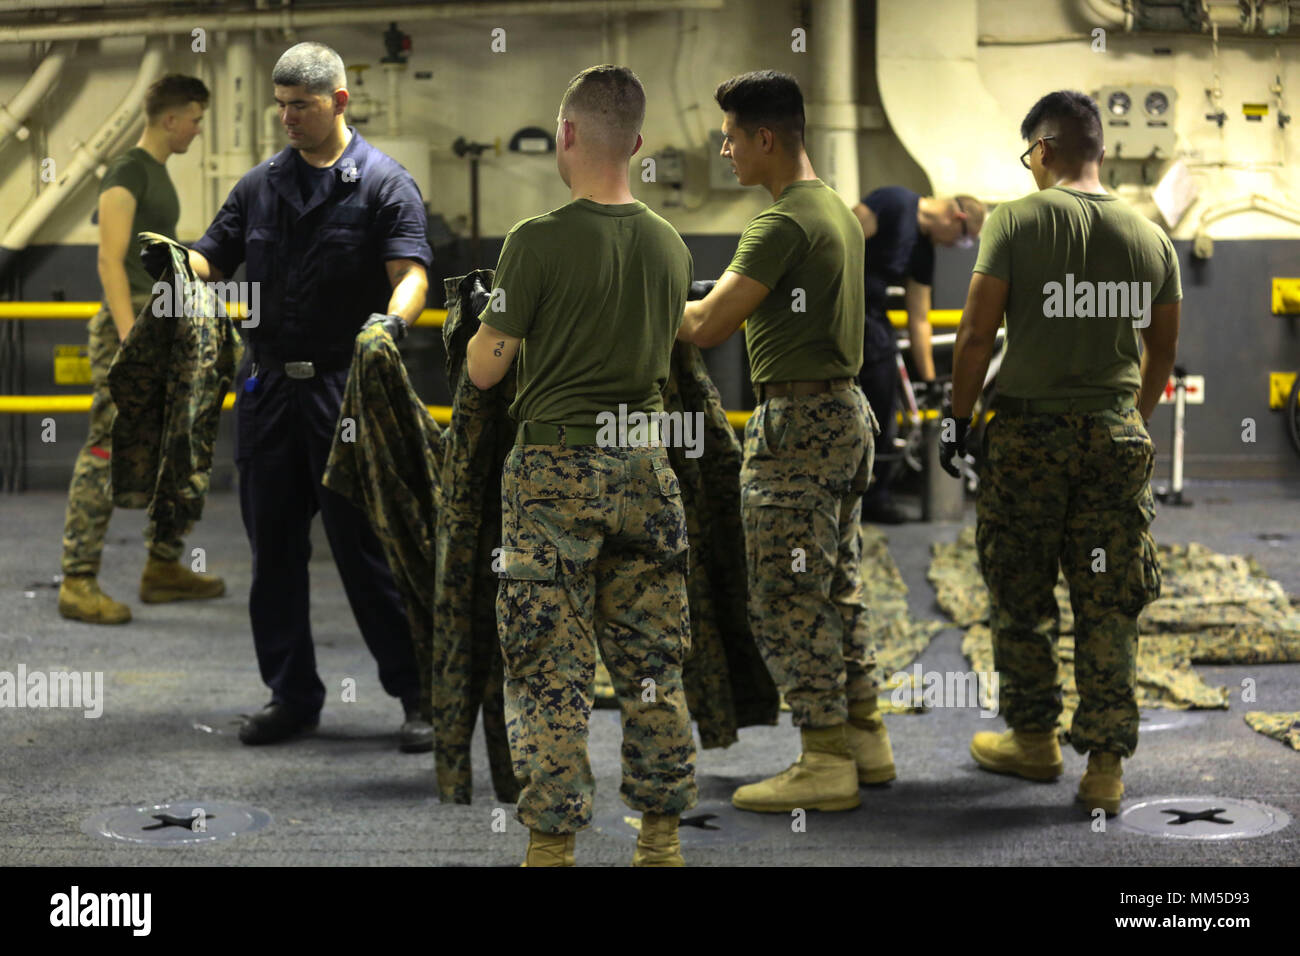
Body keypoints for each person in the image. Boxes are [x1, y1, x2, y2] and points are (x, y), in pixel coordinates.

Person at [467, 65, 697, 867]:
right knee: (652, 664)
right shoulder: (671, 244)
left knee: (548, 667)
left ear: (566, 134)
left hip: (554, 476)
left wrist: (482, 326)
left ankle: (553, 849)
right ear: (636, 143)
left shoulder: (534, 241)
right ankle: (661, 838)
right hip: (646, 470)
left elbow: (487, 371)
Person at [176, 42, 434, 750]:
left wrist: (392, 320)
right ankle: (292, 696)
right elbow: (212, 254)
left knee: (366, 548)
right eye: (281, 105)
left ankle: (419, 694)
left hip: (341, 392)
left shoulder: (383, 183)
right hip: (266, 393)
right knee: (274, 553)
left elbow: (410, 273)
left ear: (340, 102)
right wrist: (176, 261)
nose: (287, 117)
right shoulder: (259, 185)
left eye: (302, 106)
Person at [940, 89, 1179, 816]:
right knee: (1108, 598)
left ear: (1042, 150)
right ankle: (1104, 767)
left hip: (1028, 439)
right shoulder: (1150, 238)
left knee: (1022, 591)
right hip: (1113, 436)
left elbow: (977, 336)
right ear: (1098, 149)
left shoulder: (1015, 219)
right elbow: (1161, 351)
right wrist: (1124, 419)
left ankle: (1035, 740)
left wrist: (956, 421)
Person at [677, 70, 889, 814]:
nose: (727, 151)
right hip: (843, 415)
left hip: (799, 427)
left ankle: (825, 758)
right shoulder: (831, 207)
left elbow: (705, 326)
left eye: (731, 138)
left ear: (765, 138)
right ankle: (864, 735)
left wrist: (628, 295)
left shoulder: (780, 223)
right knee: (837, 584)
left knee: (787, 593)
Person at [58, 74, 224, 625]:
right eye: (195, 120)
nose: (198, 131)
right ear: (171, 119)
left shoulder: (156, 173)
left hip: (159, 324)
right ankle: (78, 579)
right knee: (106, 447)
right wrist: (130, 334)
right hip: (128, 326)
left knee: (177, 444)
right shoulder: (128, 170)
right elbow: (109, 259)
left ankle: (163, 565)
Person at [852, 187, 984, 523]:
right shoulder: (894, 203)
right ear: (957, 218)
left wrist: (928, 380)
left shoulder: (924, 252)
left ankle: (874, 499)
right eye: (962, 240)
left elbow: (919, 317)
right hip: (838, 309)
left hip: (872, 320)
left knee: (884, 402)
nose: (955, 247)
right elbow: (840, 238)